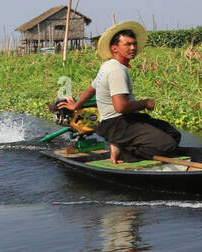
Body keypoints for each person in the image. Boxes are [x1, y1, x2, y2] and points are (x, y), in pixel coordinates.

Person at [60, 20, 183, 164]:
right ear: (115, 49)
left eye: (134, 44)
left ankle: (125, 145)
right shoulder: (116, 70)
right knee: (168, 145)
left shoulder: (108, 65)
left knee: (173, 134)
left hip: (122, 120)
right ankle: (125, 151)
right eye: (127, 44)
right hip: (117, 124)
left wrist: (76, 106)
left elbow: (91, 89)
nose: (133, 48)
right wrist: (145, 103)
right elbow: (121, 107)